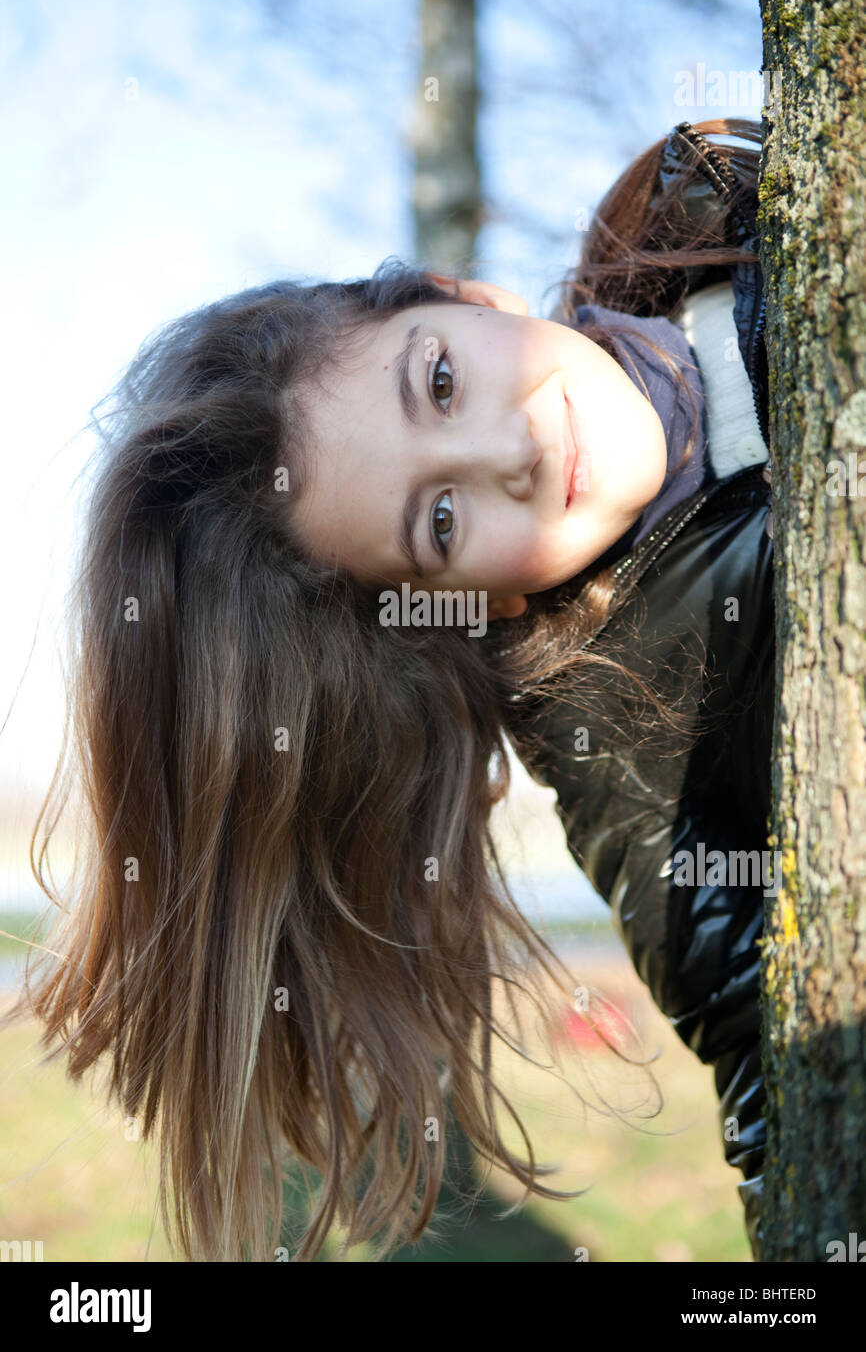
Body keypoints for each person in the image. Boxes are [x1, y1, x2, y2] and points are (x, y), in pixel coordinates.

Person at [4, 116, 771, 1262]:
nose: (508, 452)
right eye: (444, 519)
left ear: (466, 297)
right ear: (477, 606)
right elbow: (773, 1060)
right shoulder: (625, 741)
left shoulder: (722, 193)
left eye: (442, 381)